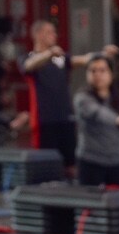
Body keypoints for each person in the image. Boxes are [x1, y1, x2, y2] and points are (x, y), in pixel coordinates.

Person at [22, 20, 89, 177]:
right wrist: (48, 53)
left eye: (54, 32)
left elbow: (81, 59)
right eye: (49, 32)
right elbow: (28, 66)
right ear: (38, 35)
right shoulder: (30, 58)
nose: (54, 35)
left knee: (70, 164)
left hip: (65, 118)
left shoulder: (60, 58)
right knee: (45, 163)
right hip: (44, 120)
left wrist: (101, 55)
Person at [76, 54, 119, 187]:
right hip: (91, 161)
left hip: (116, 161)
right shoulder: (82, 98)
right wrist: (117, 119)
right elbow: (98, 113)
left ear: (111, 74)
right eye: (93, 71)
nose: (97, 75)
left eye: (102, 70)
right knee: (91, 205)